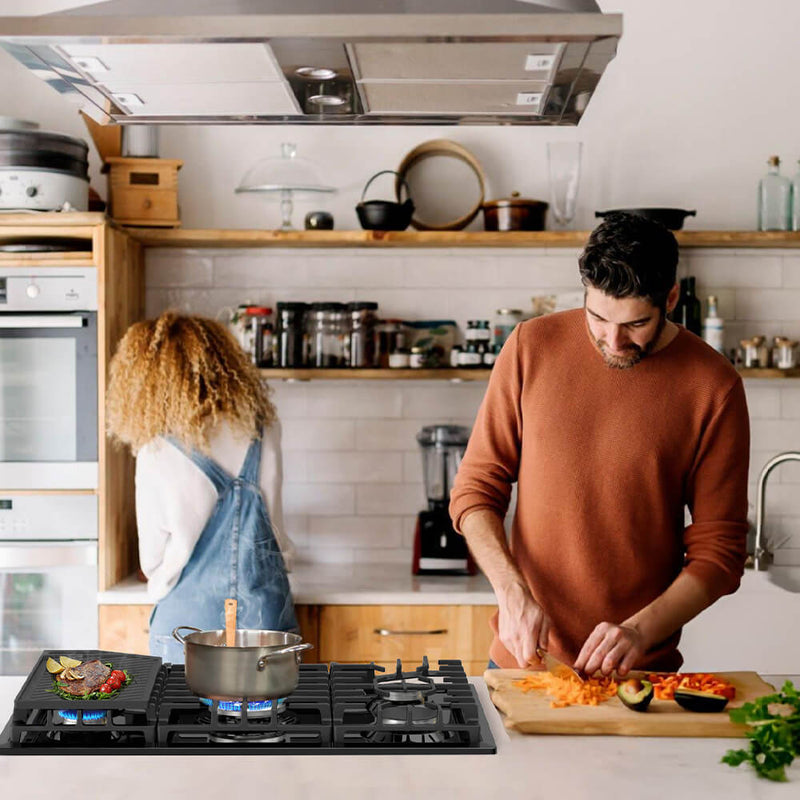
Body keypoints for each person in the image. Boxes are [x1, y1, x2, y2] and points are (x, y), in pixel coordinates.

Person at [449, 212, 750, 678]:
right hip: (522, 663)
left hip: (639, 673)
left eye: (635, 324)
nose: (612, 341)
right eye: (598, 317)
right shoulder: (531, 346)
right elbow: (475, 491)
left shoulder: (714, 386)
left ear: (670, 297)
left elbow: (720, 554)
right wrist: (511, 592)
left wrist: (638, 632)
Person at [106, 311, 296, 663]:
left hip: (188, 626)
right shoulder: (263, 427)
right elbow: (276, 533)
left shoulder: (156, 447)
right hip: (266, 616)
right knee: (267, 716)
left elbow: (152, 559)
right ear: (225, 362)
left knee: (183, 717)